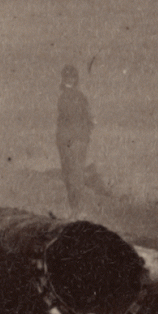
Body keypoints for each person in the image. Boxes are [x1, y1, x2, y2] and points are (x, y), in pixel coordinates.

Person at [55, 63, 93, 215]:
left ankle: (77, 210)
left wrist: (80, 138)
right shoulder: (68, 97)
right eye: (67, 77)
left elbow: (86, 120)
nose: (69, 80)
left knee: (73, 176)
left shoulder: (74, 98)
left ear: (75, 79)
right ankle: (76, 210)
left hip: (73, 141)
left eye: (72, 77)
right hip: (69, 141)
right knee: (71, 175)